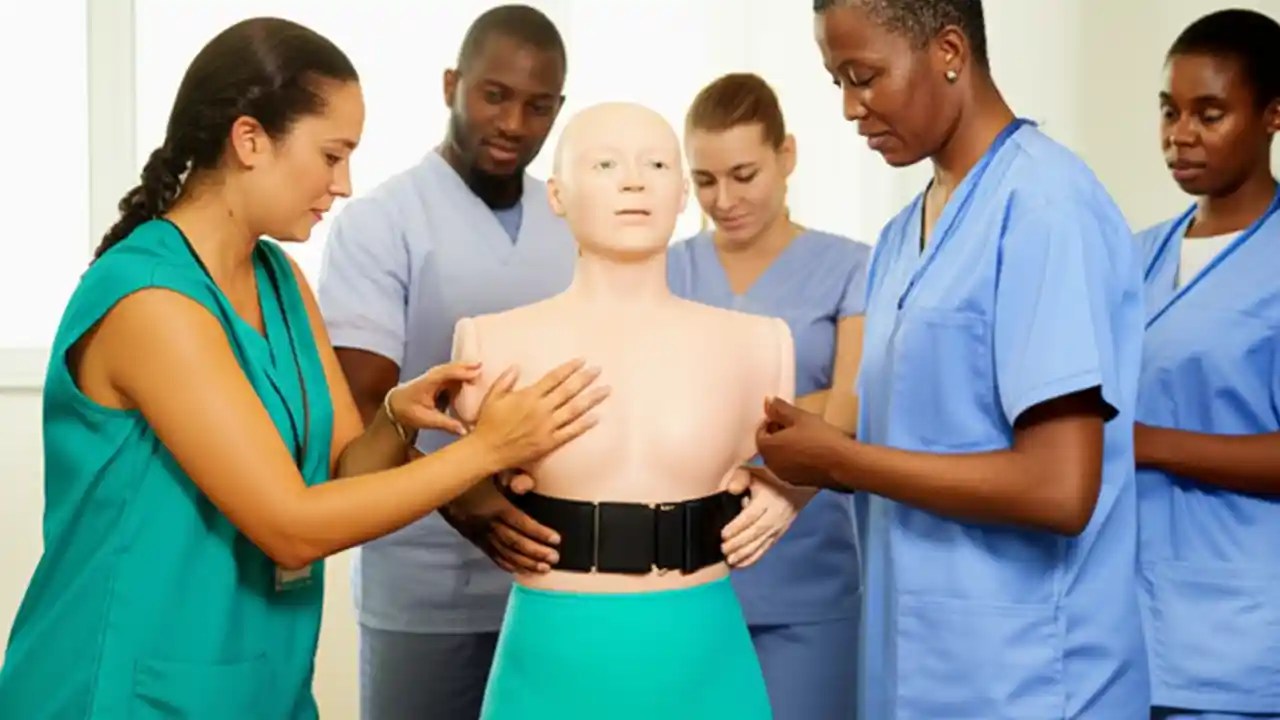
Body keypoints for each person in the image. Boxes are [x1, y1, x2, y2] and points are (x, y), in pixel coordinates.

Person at [0, 17, 605, 720]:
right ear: (250, 139)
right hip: (121, 685)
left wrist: (391, 421)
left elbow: (346, 474)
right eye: (331, 154)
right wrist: (488, 449)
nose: (344, 184)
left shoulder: (280, 280)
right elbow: (290, 525)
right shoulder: (150, 303)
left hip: (255, 680)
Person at [753, 1, 1151, 717]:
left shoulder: (1045, 206)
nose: (850, 107)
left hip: (1031, 680)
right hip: (916, 670)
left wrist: (842, 462)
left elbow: (1059, 488)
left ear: (948, 50)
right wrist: (805, 464)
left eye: (864, 75)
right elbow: (926, 444)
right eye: (836, 81)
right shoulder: (902, 236)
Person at [451, 101, 811, 719]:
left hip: (702, 656)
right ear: (557, 195)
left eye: (657, 163)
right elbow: (435, 477)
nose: (634, 180)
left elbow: (817, 456)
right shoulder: (490, 345)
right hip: (552, 657)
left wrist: (789, 486)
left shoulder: (759, 344)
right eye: (606, 163)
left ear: (680, 193)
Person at [315, 6, 575, 718]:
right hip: (424, 586)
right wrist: (461, 494)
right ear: (451, 84)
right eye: (495, 95)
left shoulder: (570, 220)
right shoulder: (383, 222)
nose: (515, 123)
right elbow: (360, 407)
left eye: (538, 105)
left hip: (559, 579)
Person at [666, 71, 869, 720]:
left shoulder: (852, 267)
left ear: (787, 156)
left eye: (744, 174)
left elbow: (849, 412)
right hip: (681, 579)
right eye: (704, 180)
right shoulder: (664, 269)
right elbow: (642, 408)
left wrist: (715, 415)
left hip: (809, 578)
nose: (723, 199)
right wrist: (796, 407)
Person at [1134, 9, 1280, 720]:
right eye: (1170, 110)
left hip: (1239, 637)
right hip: (1130, 628)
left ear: (1273, 115)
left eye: (1209, 113)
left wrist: (1143, 444)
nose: (1179, 134)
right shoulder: (1135, 257)